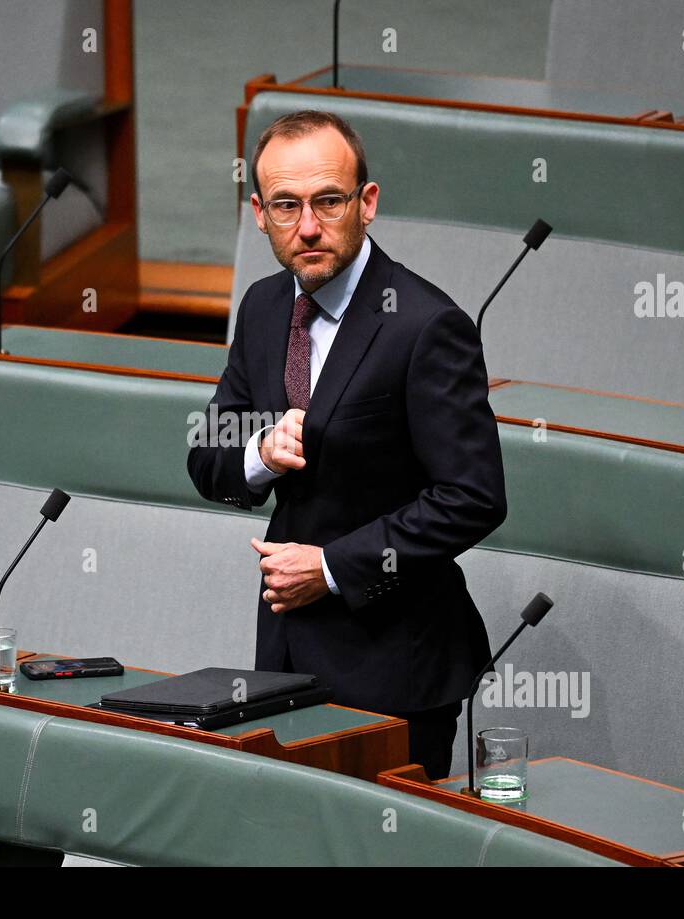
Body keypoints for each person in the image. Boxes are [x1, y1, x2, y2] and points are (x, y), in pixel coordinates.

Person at [186, 110, 506, 780]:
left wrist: (330, 567)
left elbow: (473, 497)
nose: (308, 226)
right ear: (258, 212)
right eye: (286, 205)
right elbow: (208, 453)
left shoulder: (424, 326)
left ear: (368, 202)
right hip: (283, 659)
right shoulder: (265, 307)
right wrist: (260, 454)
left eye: (329, 201)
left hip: (393, 669)